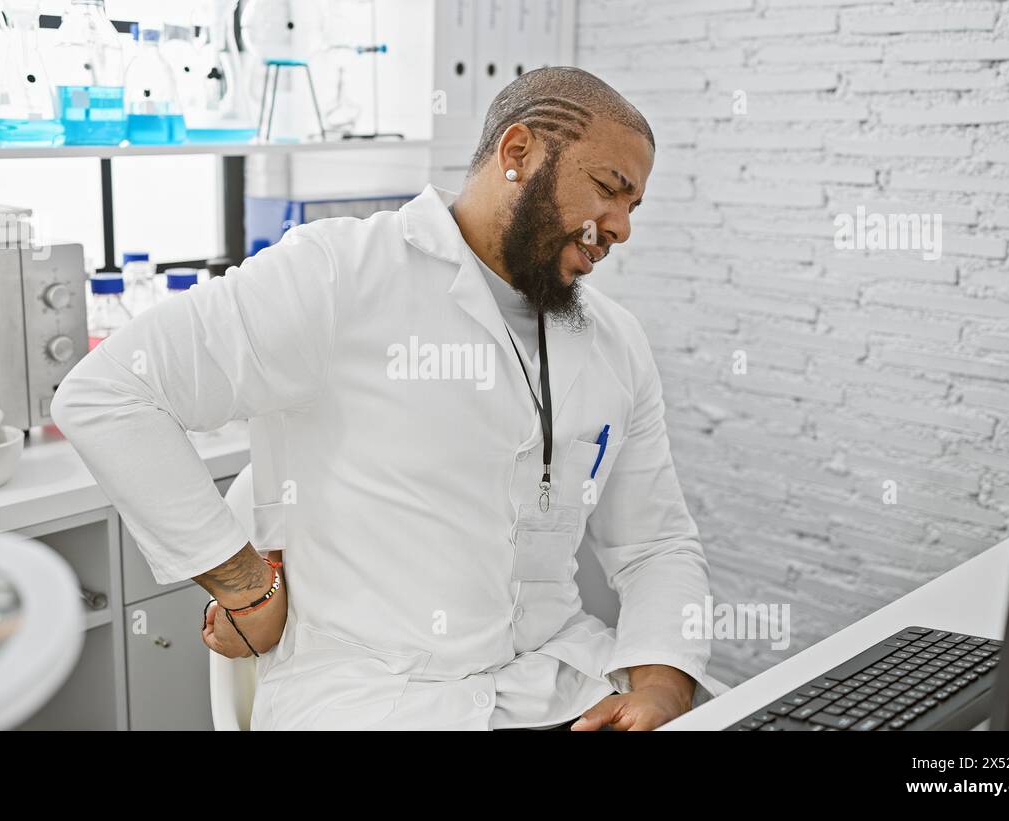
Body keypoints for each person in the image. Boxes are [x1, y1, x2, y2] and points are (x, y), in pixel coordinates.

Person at [52, 66, 718, 730]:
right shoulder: (341, 273)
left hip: (560, 686)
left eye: (634, 208)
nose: (623, 227)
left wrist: (662, 689)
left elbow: (656, 540)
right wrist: (249, 587)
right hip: (371, 699)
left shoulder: (616, 342)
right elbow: (108, 393)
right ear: (519, 154)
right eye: (610, 189)